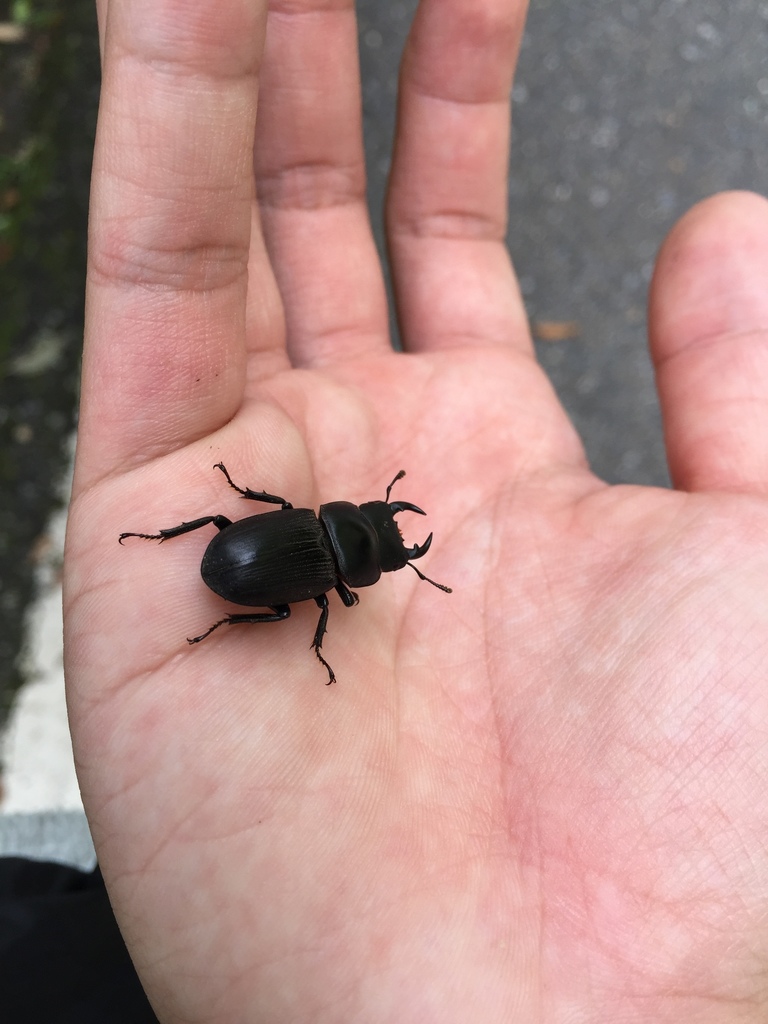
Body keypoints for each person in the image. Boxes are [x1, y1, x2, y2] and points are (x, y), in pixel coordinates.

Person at [63, 0, 768, 1020]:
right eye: (385, 538)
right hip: (241, 584)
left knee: (235, 536)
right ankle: (210, 604)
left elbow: (248, 522)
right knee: (249, 573)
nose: (382, 538)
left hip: (242, 561)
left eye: (380, 543)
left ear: (350, 552)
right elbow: (285, 573)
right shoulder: (321, 584)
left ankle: (197, 581)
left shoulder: (304, 532)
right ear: (354, 557)